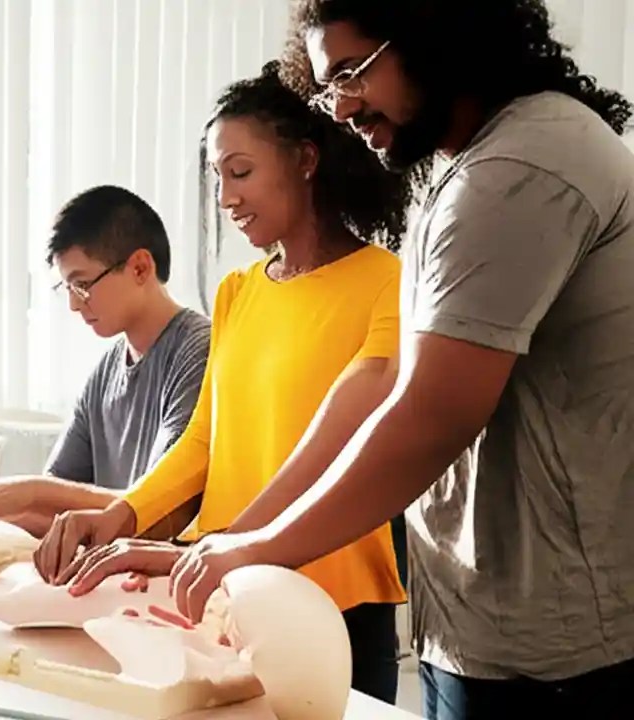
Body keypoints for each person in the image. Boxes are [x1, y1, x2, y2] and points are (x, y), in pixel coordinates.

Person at [150, 2, 634, 718]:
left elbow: (429, 414)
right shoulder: (469, 168)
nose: (342, 107)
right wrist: (225, 540)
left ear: (435, 37)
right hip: (484, 626)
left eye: (353, 73)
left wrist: (254, 548)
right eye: (327, 87)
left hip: (558, 649)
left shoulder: (520, 166)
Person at [33, 62, 413, 704]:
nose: (225, 197)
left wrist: (230, 544)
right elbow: (203, 442)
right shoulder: (238, 291)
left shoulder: (388, 280)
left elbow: (337, 445)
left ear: (305, 160)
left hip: (333, 599)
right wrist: (122, 515)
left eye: (239, 172)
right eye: (217, 178)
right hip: (226, 591)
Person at [0, 185, 211, 540]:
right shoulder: (107, 371)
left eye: (82, 285)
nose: (74, 305)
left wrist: (31, 491)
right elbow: (54, 503)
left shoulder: (200, 351)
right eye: (66, 288)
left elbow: (161, 508)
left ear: (140, 268)